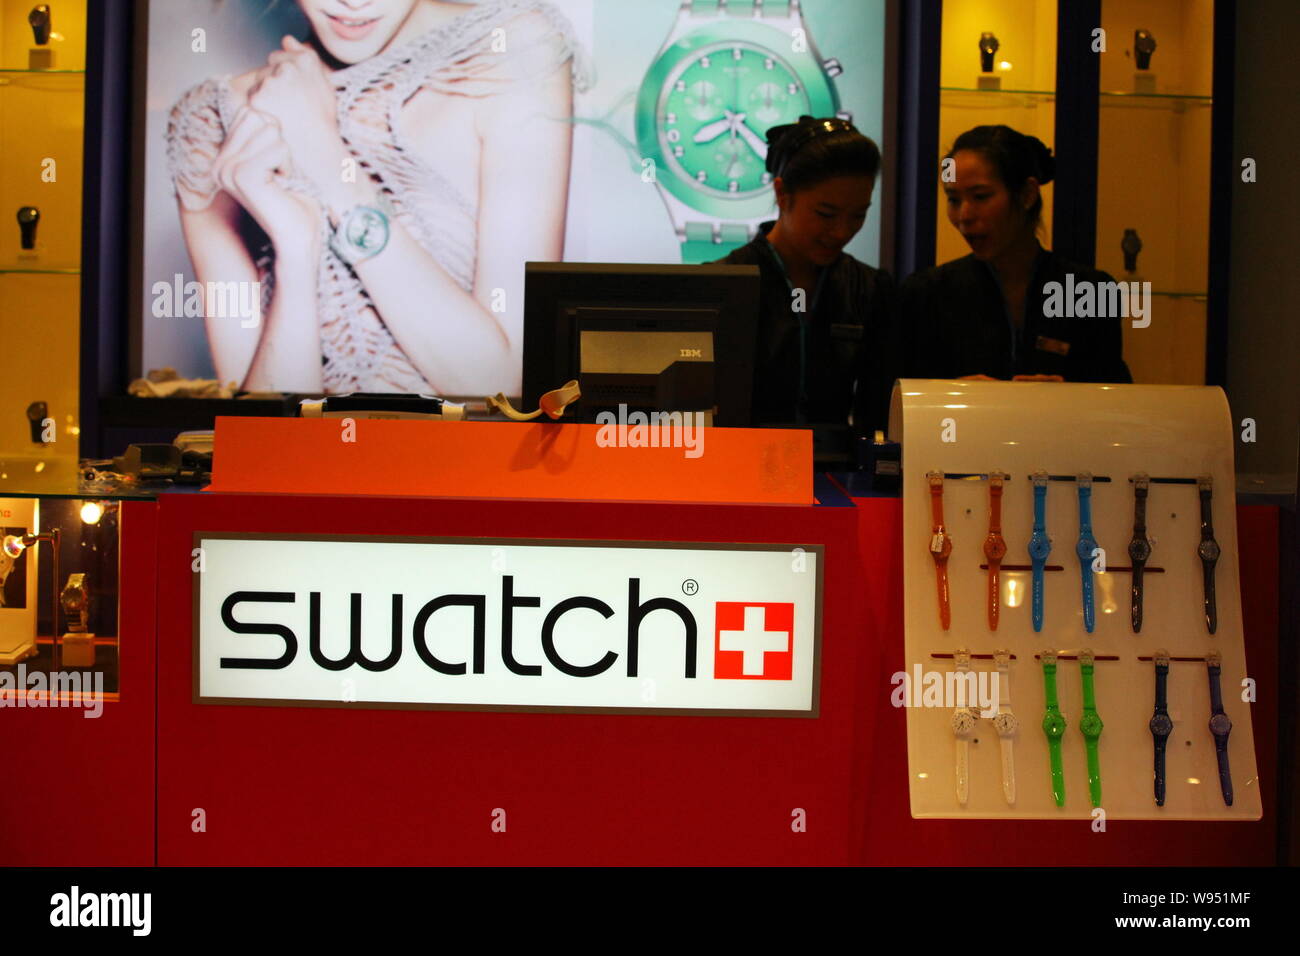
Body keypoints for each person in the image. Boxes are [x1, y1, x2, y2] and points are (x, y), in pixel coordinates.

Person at [166, 0, 589, 395]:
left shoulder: (510, 53)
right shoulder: (212, 121)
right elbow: (256, 442)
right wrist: (296, 251)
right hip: (304, 472)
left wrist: (325, 155)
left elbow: (503, 387)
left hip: (471, 471)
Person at [899, 124, 1131, 383]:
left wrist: (1068, 397)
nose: (964, 216)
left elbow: (1114, 403)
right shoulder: (926, 293)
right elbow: (898, 404)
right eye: (953, 199)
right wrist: (948, 395)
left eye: (980, 196)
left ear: (1027, 194)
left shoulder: (1090, 291)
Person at [711, 116, 896, 439]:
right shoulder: (722, 283)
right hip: (738, 467)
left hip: (841, 475)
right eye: (826, 214)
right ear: (783, 194)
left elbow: (881, 410)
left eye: (858, 215)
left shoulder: (870, 288)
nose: (841, 232)